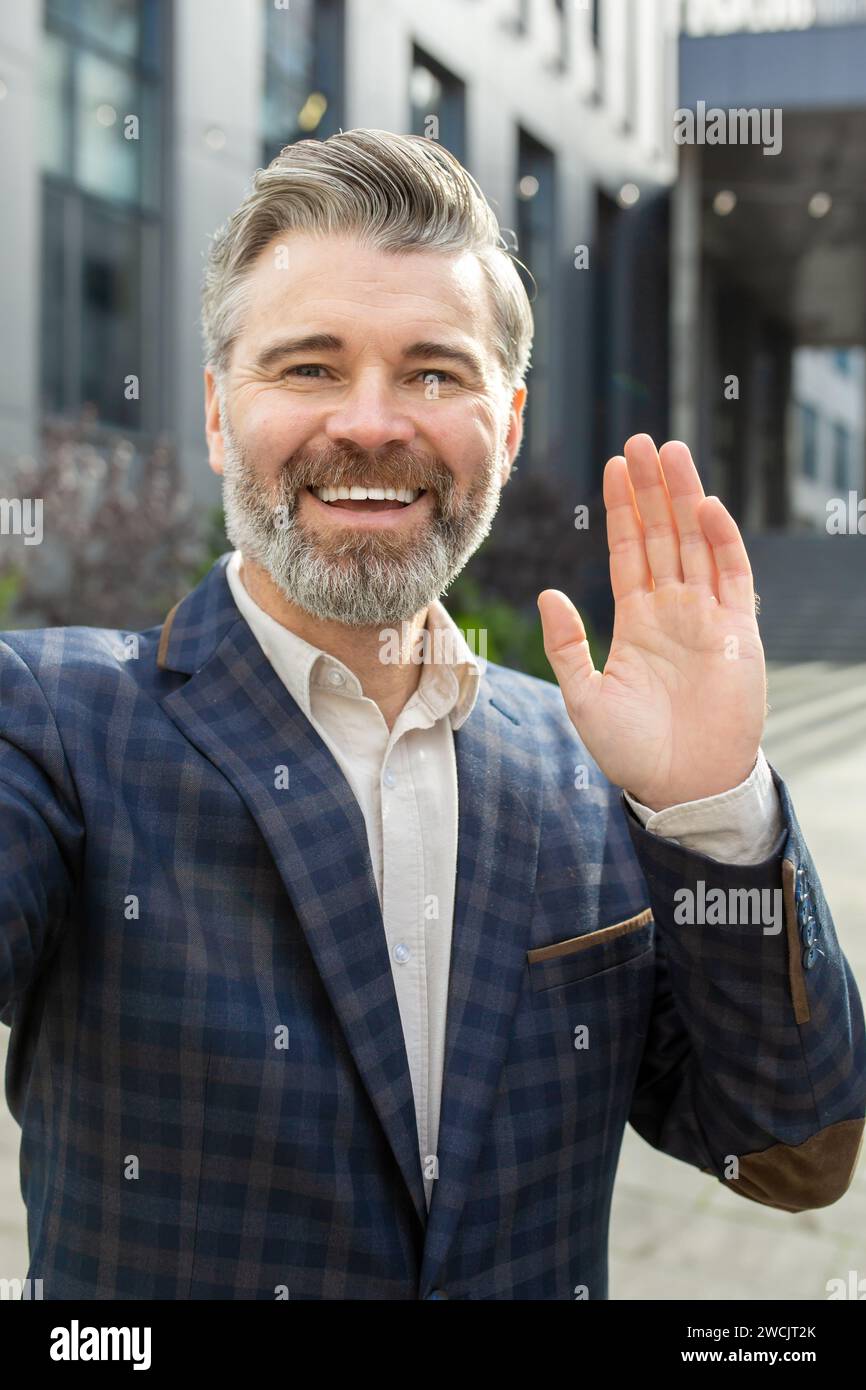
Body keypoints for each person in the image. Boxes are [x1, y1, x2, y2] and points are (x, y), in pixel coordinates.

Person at [2, 129, 863, 1301]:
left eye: (431, 372)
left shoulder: (597, 769)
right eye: (307, 367)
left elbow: (789, 1154)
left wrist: (714, 806)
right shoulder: (54, 726)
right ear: (214, 414)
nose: (369, 423)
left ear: (504, 428)